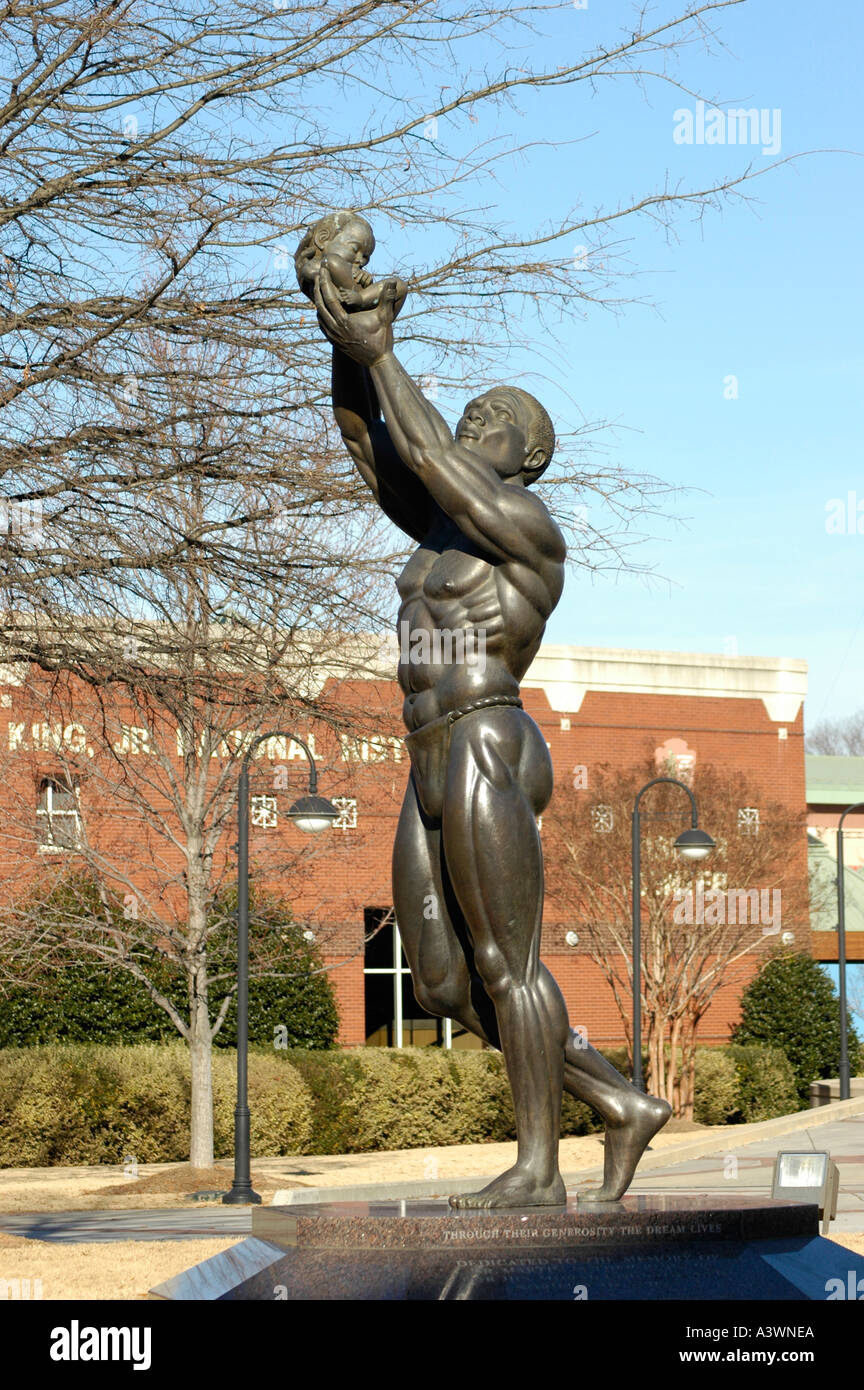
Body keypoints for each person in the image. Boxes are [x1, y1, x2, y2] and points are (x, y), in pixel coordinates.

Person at [312, 253, 670, 1207]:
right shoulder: (435, 532)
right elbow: (370, 446)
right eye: (468, 414)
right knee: (437, 981)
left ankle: (539, 1170)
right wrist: (343, 339)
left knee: (510, 963)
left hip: (486, 739)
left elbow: (429, 455)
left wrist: (384, 349)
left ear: (527, 456)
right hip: (426, 750)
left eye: (494, 422)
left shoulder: (524, 527)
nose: (475, 425)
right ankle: (616, 1103)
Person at [295, 210, 406, 315]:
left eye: (366, 257)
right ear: (323, 239)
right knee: (331, 261)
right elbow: (310, 270)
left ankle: (362, 299)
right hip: (347, 306)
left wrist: (365, 282)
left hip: (367, 308)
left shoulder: (356, 274)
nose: (360, 260)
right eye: (354, 249)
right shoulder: (320, 264)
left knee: (398, 285)